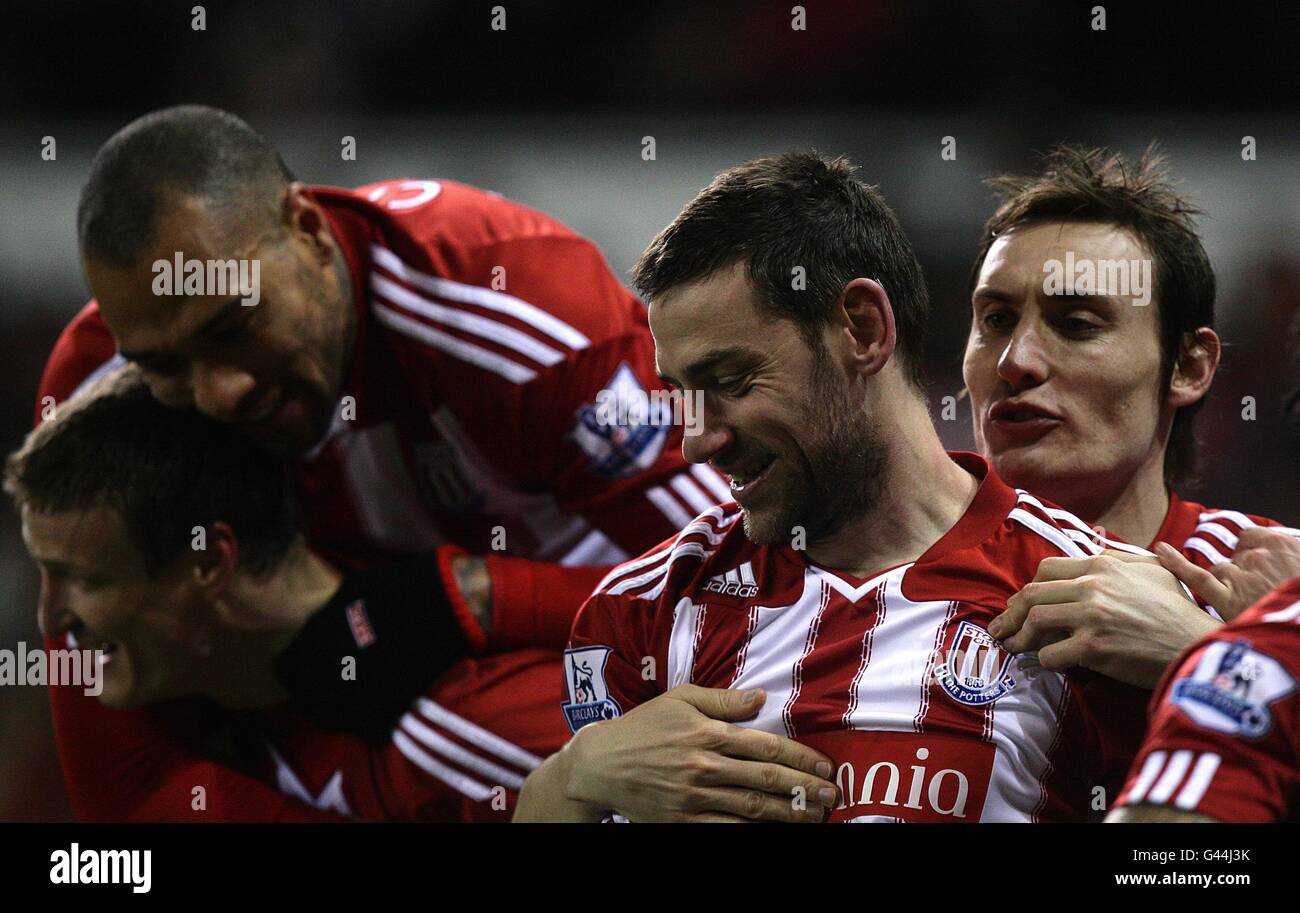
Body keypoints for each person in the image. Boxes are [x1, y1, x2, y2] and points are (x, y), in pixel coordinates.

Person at [40, 103, 751, 821]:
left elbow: (751, 600)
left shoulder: (518, 313)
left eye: (234, 326)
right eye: (166, 366)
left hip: (565, 677)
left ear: (308, 230)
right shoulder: (98, 386)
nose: (219, 392)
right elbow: (125, 790)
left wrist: (480, 596)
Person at [514, 152, 1152, 823]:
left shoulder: (1092, 601)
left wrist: (1198, 655)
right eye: (681, 394)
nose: (696, 440)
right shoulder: (643, 612)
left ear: (862, 328)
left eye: (729, 382)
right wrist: (570, 780)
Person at [7, 366, 563, 821]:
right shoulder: (239, 740)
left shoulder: (464, 733)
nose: (52, 621)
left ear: (210, 561)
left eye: (85, 579)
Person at [962, 145, 1299, 690]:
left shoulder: (1280, 582)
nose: (1015, 361)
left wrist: (1196, 650)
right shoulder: (870, 580)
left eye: (1076, 324)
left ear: (1188, 366)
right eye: (996, 320)